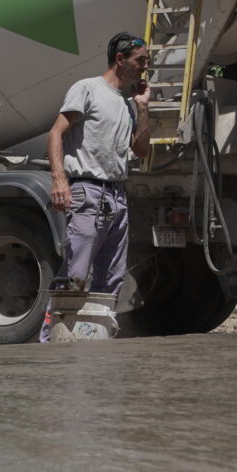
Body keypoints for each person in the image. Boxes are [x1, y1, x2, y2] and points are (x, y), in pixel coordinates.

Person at [41, 32, 152, 340]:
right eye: (140, 61)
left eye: (147, 61)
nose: (145, 67)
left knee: (112, 278)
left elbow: (141, 150)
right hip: (87, 192)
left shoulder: (128, 105)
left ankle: (94, 342)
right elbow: (55, 134)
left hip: (116, 196)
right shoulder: (88, 89)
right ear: (120, 60)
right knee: (76, 274)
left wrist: (143, 107)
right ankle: (51, 342)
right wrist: (60, 180)